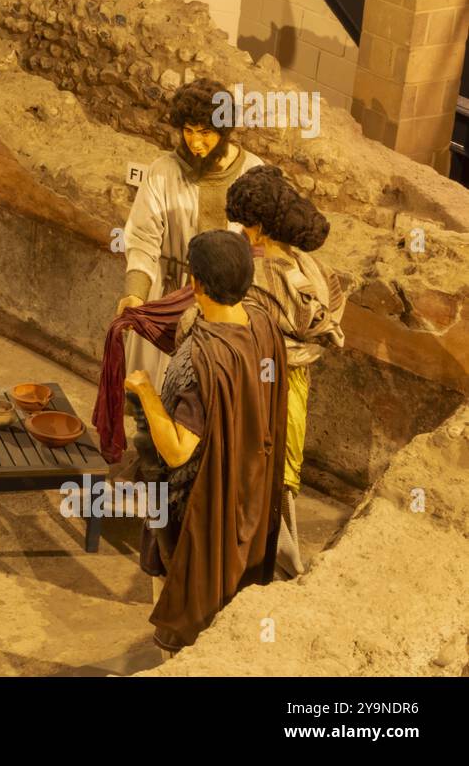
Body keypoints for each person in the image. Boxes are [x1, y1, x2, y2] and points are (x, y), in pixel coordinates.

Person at [125, 230, 288, 655]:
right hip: (249, 491)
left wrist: (144, 390)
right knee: (230, 606)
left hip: (195, 505)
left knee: (183, 609)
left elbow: (178, 449)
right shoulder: (265, 326)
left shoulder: (199, 356)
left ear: (195, 284)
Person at [117, 79, 264, 480]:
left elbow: (263, 245)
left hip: (228, 307)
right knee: (154, 391)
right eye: (189, 131)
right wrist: (136, 294)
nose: (196, 143)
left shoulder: (253, 174)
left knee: (206, 397)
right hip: (171, 295)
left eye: (206, 133)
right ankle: (150, 464)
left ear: (224, 131)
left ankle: (201, 474)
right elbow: (144, 237)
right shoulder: (164, 171)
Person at [225, 165, 345, 576]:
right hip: (291, 375)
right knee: (279, 468)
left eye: (245, 225)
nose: (241, 231)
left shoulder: (263, 274)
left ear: (259, 227)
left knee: (261, 470)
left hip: (267, 380)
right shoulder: (306, 263)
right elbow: (328, 315)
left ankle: (277, 566)